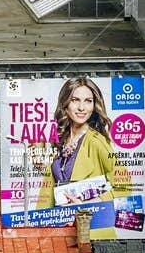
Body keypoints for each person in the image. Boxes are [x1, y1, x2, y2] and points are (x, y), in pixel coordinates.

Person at [34, 77, 125, 239]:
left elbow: (124, 183)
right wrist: (38, 228)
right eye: (75, 100)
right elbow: (47, 186)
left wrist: (90, 204)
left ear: (94, 106)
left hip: (92, 230)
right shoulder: (58, 139)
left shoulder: (97, 141)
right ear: (65, 104)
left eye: (88, 101)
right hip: (61, 228)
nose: (82, 107)